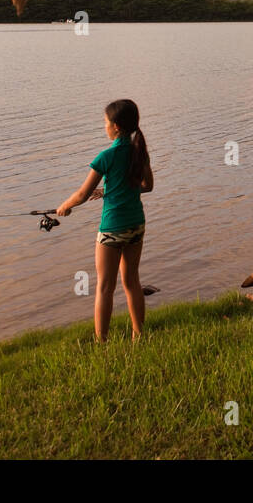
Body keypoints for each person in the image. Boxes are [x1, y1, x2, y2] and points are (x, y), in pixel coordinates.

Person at [57, 99, 154, 342]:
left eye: (105, 122)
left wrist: (64, 206)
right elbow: (147, 186)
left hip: (112, 229)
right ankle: (139, 336)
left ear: (116, 127)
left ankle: (101, 341)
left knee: (104, 287)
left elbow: (81, 194)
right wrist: (113, 191)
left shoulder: (106, 156)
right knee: (132, 281)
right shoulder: (139, 151)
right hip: (136, 226)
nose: (104, 127)